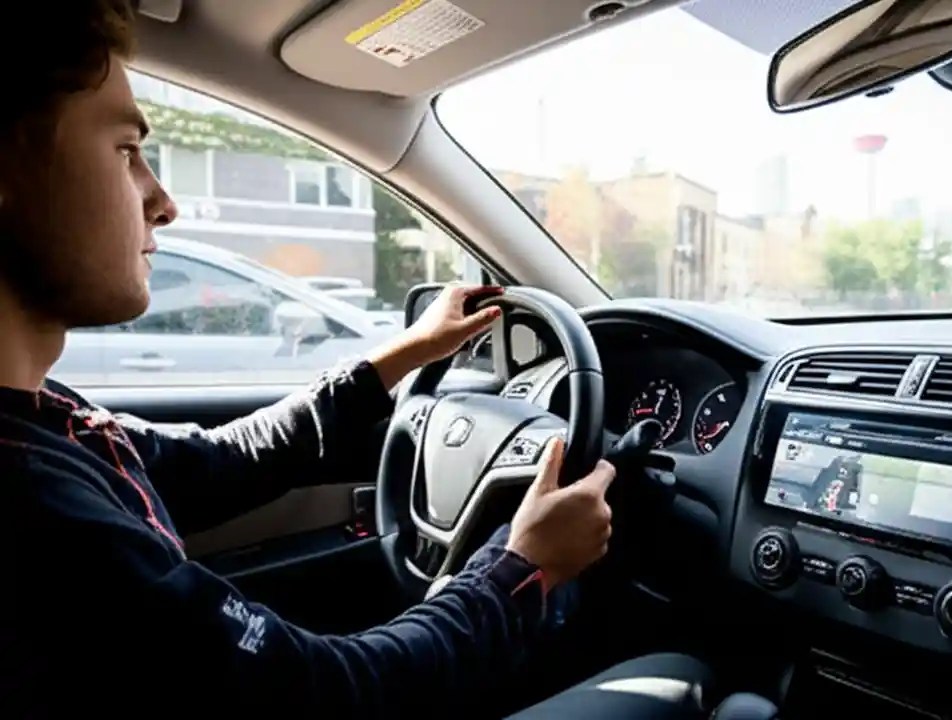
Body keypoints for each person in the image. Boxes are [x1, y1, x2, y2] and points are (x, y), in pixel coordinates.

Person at [0, 2, 634, 716]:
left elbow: (220, 465)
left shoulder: (48, 424)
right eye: (124, 150)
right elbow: (331, 693)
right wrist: (524, 569)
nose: (163, 201)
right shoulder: (37, 512)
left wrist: (405, 354)